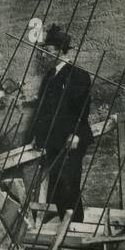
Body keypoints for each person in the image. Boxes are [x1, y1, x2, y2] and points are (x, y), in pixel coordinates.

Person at [27, 24, 93, 220]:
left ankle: (75, 226)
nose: (43, 56)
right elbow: (43, 109)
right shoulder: (50, 76)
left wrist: (75, 134)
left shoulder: (78, 75)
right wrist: (36, 136)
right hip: (54, 141)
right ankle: (68, 226)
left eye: (47, 51)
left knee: (68, 184)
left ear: (61, 52)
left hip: (71, 141)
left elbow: (81, 108)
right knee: (57, 188)